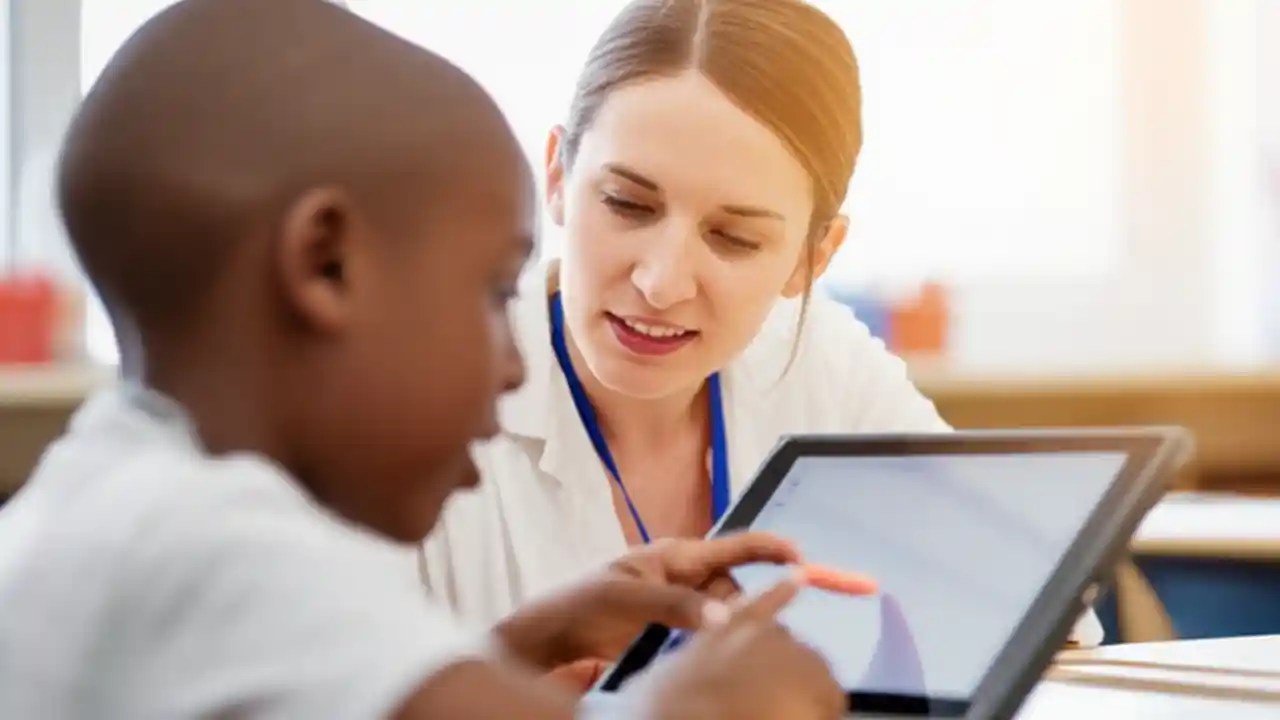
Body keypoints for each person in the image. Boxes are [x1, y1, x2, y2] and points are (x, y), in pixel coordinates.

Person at [0, 1, 847, 718]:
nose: (516, 367)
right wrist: (712, 699)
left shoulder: (113, 493)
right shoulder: (205, 553)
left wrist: (525, 641)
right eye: (490, 292)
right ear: (326, 266)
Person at [420, 0, 1104, 652]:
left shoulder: (827, 370)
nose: (661, 282)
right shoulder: (419, 400)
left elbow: (1034, 608)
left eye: (734, 238)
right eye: (627, 204)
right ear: (558, 176)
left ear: (814, 257)